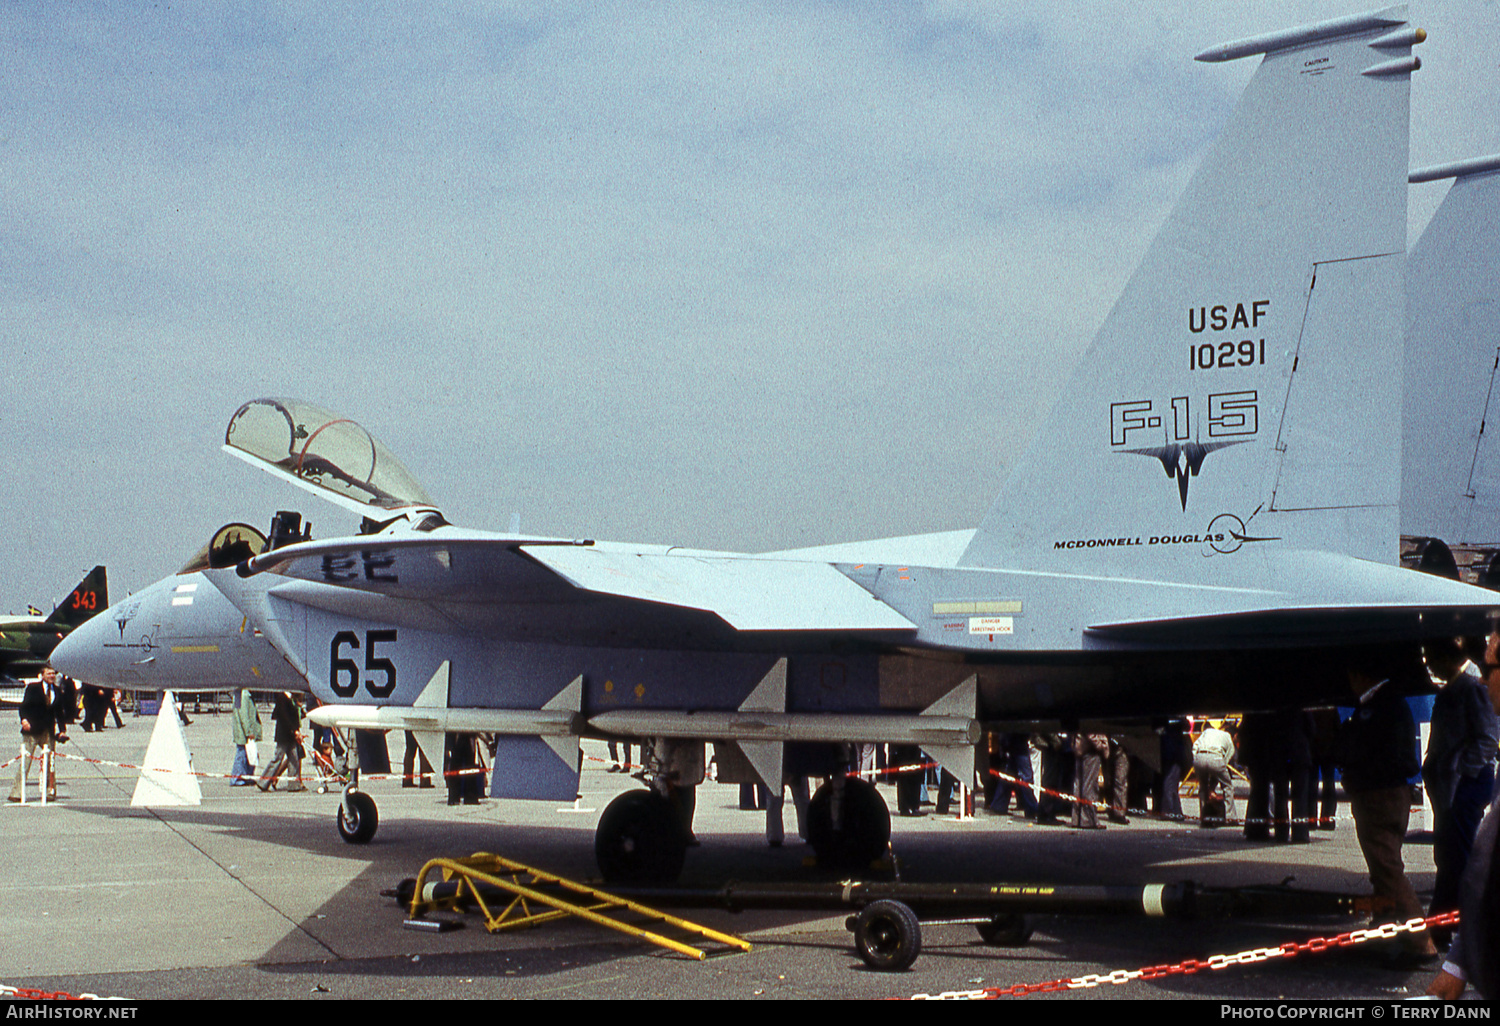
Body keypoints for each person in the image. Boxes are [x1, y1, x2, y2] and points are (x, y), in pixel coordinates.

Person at [1336, 649, 1438, 967]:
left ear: (1360, 675)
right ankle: (1381, 932)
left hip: (1378, 797)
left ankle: (1421, 943)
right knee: (1383, 870)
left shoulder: (1378, 707)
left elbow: (1383, 754)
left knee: (1388, 871)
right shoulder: (1389, 704)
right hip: (1388, 795)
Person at [1420, 636, 1498, 943]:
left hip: (1464, 786)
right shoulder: (1458, 685)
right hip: (1451, 785)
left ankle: (1461, 925)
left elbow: (1487, 739)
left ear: (1447, 658)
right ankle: (1445, 924)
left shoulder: (1473, 686)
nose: (1429, 666)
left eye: (1431, 659)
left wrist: (1463, 773)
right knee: (1449, 856)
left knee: (1459, 857)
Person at [9, 664, 69, 802]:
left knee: (50, 762)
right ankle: (16, 792)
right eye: (48, 674)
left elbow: (59, 712)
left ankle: (50, 791)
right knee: (26, 761)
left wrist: (62, 730)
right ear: (42, 675)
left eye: (53, 674)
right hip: (32, 729)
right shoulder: (33, 688)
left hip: (48, 731)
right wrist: (24, 720)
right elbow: (24, 706)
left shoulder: (57, 690)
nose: (51, 676)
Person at [256, 692, 305, 792]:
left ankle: (294, 785)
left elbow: (296, 716)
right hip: (283, 735)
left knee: (294, 758)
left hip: (291, 735)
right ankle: (263, 782)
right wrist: (293, 730)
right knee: (278, 758)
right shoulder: (282, 698)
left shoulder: (292, 700)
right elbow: (284, 717)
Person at [1192, 719, 1236, 827]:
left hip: (1199, 757)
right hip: (1216, 757)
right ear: (1234, 734)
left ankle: (1204, 816)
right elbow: (1230, 753)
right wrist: (1221, 765)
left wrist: (1196, 760)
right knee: (1228, 786)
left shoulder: (1207, 731)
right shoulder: (1228, 736)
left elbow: (1195, 747)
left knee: (1203, 787)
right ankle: (1230, 817)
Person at [230, 689, 262, 786]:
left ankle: (247, 776)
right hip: (243, 732)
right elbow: (244, 715)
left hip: (245, 731)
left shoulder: (245, 694)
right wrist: (249, 732)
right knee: (241, 754)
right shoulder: (243, 695)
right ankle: (236, 777)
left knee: (248, 754)